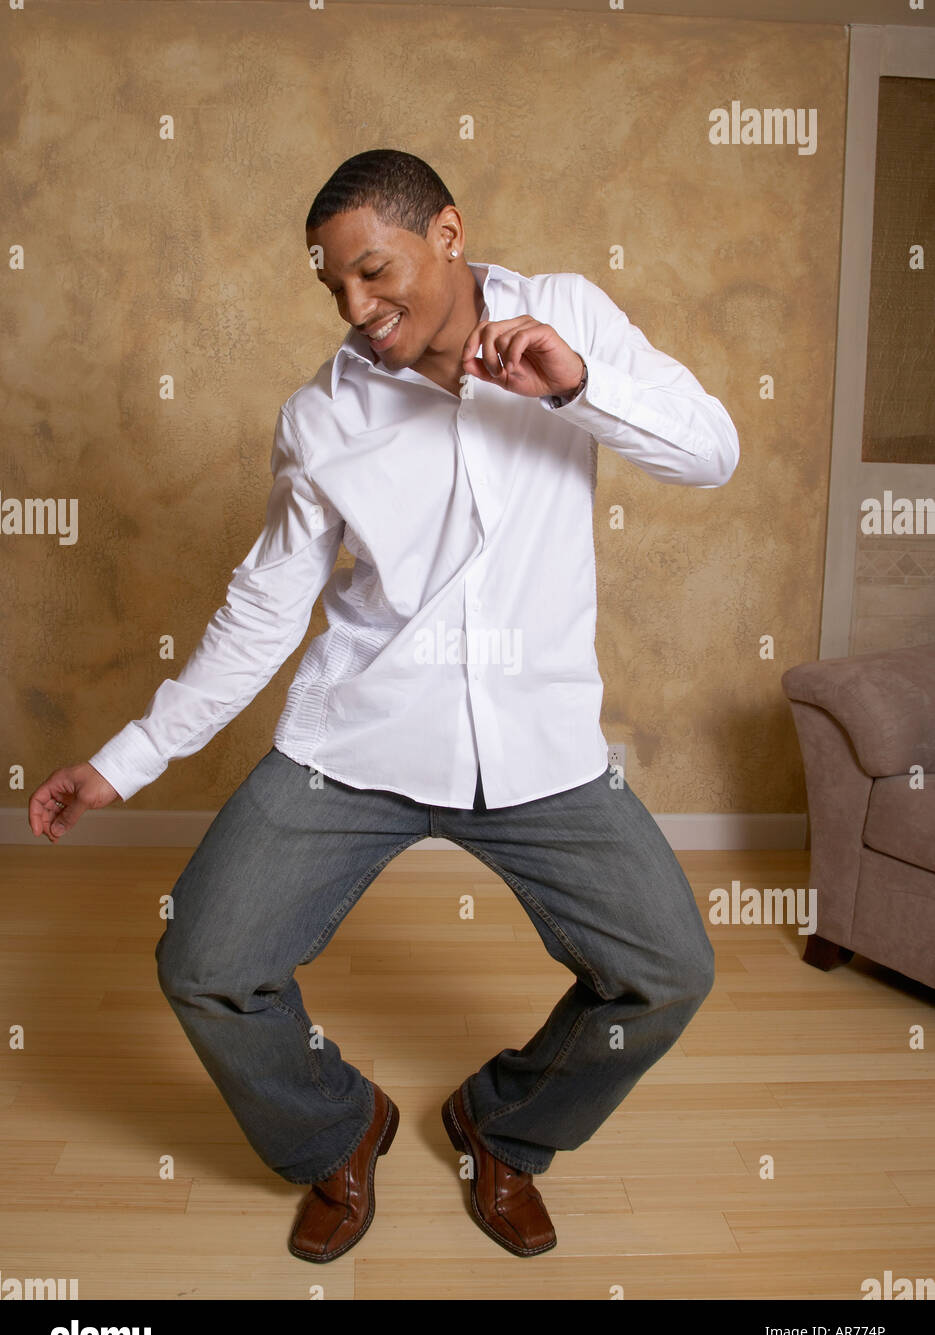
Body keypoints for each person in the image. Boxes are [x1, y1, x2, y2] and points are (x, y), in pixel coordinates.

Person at [28, 149, 740, 1263]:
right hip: (355, 741)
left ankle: (502, 1125)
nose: (358, 309)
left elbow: (711, 452)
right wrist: (124, 760)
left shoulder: (564, 313)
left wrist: (575, 385)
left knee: (666, 971)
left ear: (447, 234)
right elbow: (261, 616)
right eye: (333, 287)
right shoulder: (321, 419)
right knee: (202, 963)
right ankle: (333, 1128)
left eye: (374, 272)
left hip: (538, 747)